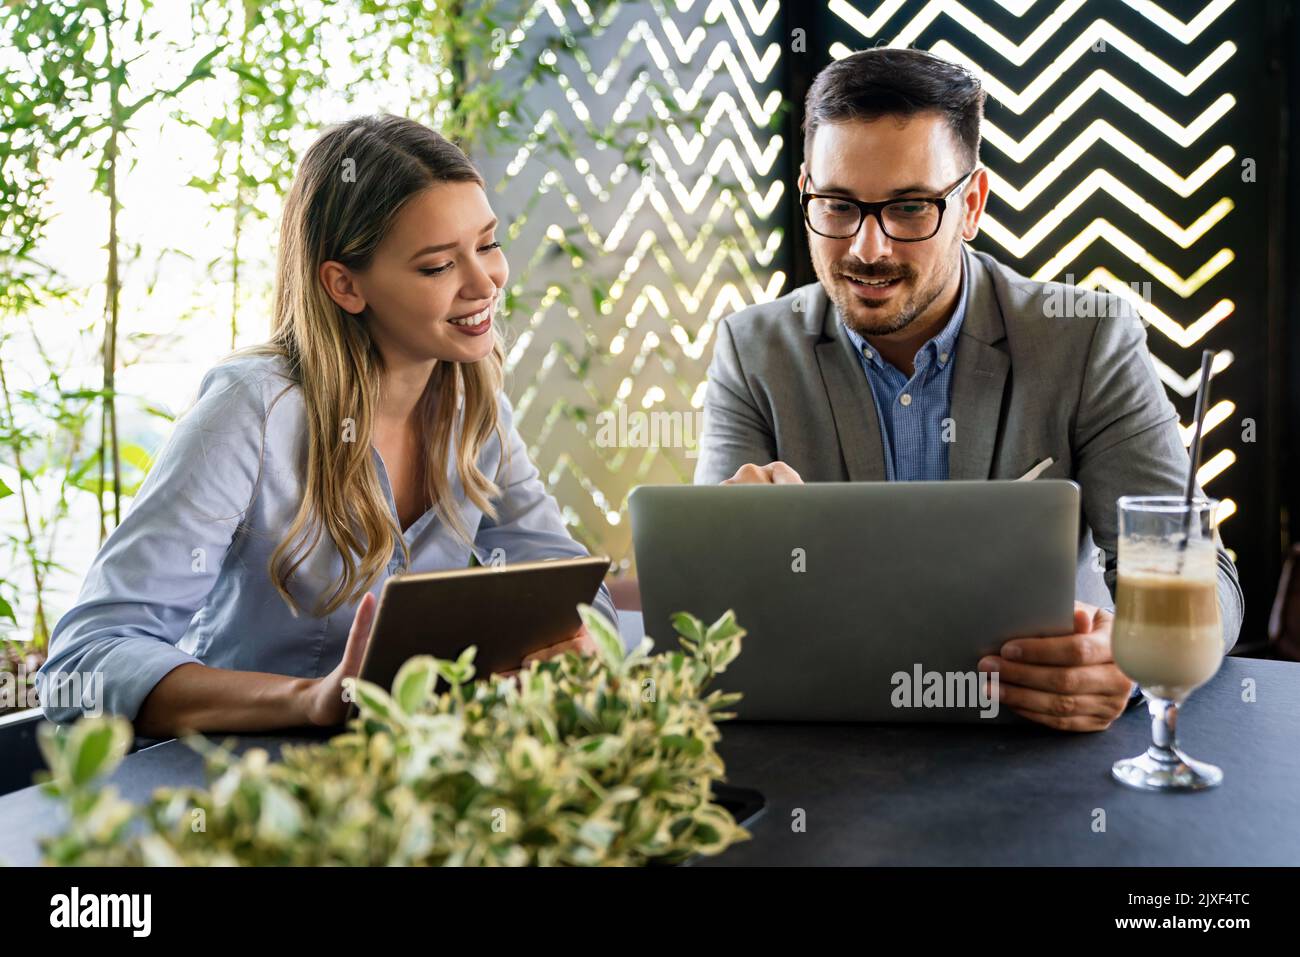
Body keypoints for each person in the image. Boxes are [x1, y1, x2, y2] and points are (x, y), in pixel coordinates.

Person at [693, 48, 1243, 732]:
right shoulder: (752, 350)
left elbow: (1199, 577)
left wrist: (1130, 661)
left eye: (909, 207)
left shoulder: (1086, 339)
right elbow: (709, 625)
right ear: (807, 191)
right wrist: (723, 555)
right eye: (837, 206)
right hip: (828, 754)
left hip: (1034, 747)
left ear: (972, 204)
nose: (868, 248)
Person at [39, 114, 616, 736]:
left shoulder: (473, 405)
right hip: (241, 781)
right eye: (436, 267)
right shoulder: (251, 411)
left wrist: (584, 644)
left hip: (401, 776)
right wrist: (311, 698)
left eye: (488, 244)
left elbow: (566, 587)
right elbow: (84, 662)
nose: (485, 283)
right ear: (344, 285)